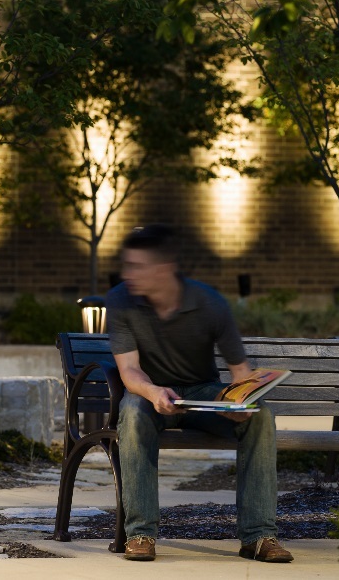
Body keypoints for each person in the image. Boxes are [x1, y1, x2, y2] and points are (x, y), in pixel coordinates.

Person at [105, 223, 293, 563]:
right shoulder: (120, 301)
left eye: (136, 266)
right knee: (132, 411)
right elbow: (129, 371)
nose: (127, 274)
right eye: (126, 265)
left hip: (202, 392)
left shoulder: (209, 303)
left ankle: (259, 536)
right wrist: (153, 392)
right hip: (151, 394)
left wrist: (240, 401)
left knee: (260, 415)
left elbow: (240, 373)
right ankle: (141, 533)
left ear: (163, 269)